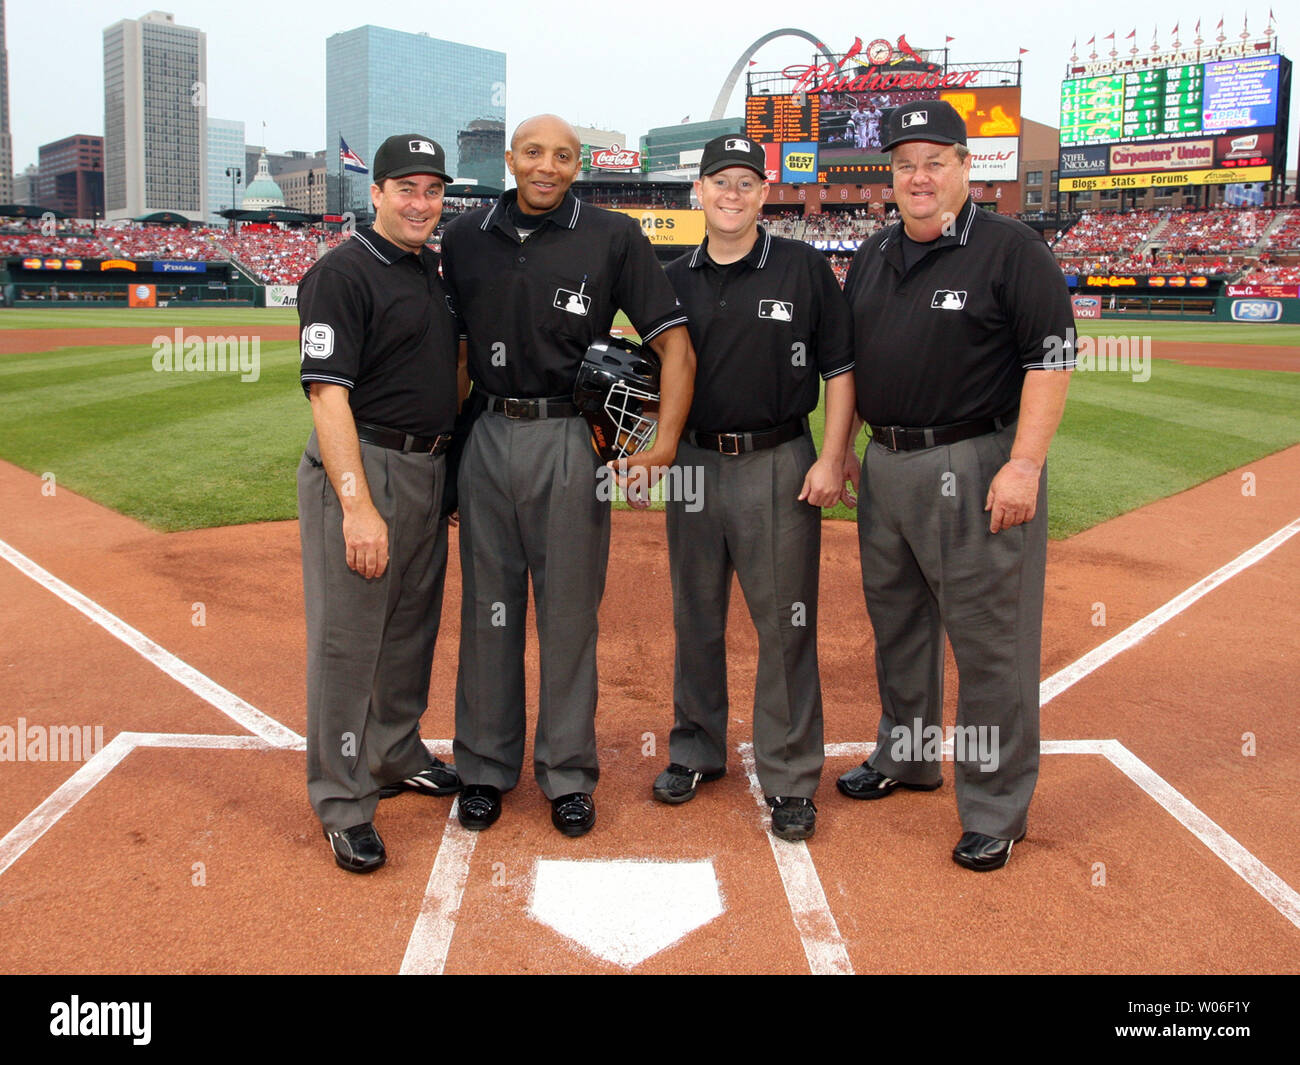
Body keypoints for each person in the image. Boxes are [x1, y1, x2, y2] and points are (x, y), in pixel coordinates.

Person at [440, 114, 694, 837]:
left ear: (578, 163)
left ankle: (567, 774)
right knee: (487, 610)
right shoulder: (463, 237)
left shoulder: (612, 235)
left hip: (569, 439)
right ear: (511, 160)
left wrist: (666, 443)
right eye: (532, 153)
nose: (546, 166)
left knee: (569, 614)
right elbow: (453, 353)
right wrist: (450, 454)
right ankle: (485, 767)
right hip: (488, 431)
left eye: (561, 155)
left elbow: (673, 344)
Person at [837, 100, 1074, 871]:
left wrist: (1025, 463)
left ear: (967, 167)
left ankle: (998, 806)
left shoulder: (1011, 248)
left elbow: (1053, 355)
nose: (919, 176)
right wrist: (842, 449)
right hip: (888, 464)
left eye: (935, 160)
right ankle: (907, 756)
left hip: (973, 463)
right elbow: (847, 364)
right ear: (891, 176)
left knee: (989, 643)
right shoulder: (873, 252)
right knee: (900, 628)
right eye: (905, 163)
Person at [653, 135, 855, 842]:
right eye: (719, 181)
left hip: (778, 460)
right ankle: (697, 748)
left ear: (763, 193)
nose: (732, 194)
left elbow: (840, 370)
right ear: (698, 192)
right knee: (695, 615)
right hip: (694, 466)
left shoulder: (802, 268)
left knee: (786, 625)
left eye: (745, 182)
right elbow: (650, 376)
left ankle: (792, 775)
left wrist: (833, 457)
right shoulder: (671, 276)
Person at [297, 134, 463, 873]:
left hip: (427, 467)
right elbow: (328, 395)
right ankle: (341, 799)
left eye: (432, 190)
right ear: (376, 193)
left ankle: (393, 752)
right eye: (407, 188)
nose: (420, 203)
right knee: (349, 641)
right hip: (366, 465)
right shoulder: (341, 273)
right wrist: (356, 505)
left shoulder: (433, 270)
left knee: (409, 628)